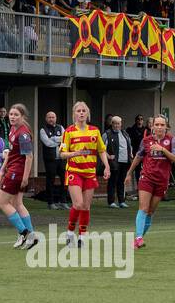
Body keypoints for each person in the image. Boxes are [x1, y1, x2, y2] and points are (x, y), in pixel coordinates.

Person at [59, 101, 110, 247]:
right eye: (78, 111)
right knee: (78, 204)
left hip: (90, 173)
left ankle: (82, 236)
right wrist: (75, 153)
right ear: (74, 114)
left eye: (83, 111)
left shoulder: (94, 130)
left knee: (86, 207)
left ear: (87, 114)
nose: (81, 113)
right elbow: (62, 154)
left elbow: (101, 150)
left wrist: (107, 166)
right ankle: (70, 233)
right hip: (74, 171)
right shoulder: (68, 131)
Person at [126, 114, 175, 249]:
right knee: (143, 208)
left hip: (162, 181)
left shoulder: (171, 140)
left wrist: (163, 150)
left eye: (162, 125)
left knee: (150, 211)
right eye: (157, 125)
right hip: (147, 178)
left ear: (166, 127)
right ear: (152, 126)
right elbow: (138, 157)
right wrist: (129, 173)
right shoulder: (146, 141)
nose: (159, 127)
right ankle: (138, 237)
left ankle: (137, 239)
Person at [0, 103, 38, 249]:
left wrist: (25, 177)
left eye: (16, 115)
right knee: (17, 204)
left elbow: (29, 157)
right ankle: (31, 236)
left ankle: (23, 232)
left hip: (17, 172)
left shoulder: (23, 134)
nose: (12, 117)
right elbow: (10, 153)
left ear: (22, 116)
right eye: (11, 114)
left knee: (1, 202)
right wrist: (2, 169)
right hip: (12, 169)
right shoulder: (13, 129)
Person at [103, 115, 133, 209]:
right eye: (115, 123)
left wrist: (131, 154)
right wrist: (108, 156)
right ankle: (111, 201)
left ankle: (121, 201)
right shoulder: (107, 134)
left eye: (118, 123)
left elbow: (129, 145)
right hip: (114, 162)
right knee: (113, 181)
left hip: (125, 161)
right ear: (112, 124)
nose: (116, 125)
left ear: (121, 124)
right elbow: (101, 149)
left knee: (121, 182)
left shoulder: (125, 133)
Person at [38, 111, 65, 208]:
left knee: (64, 180)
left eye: (53, 117)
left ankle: (63, 201)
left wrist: (53, 138)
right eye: (49, 117)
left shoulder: (60, 127)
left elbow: (65, 139)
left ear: (56, 118)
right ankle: (51, 202)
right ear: (46, 119)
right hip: (50, 159)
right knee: (50, 181)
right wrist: (58, 140)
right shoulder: (43, 130)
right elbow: (47, 143)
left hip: (61, 158)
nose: (51, 119)